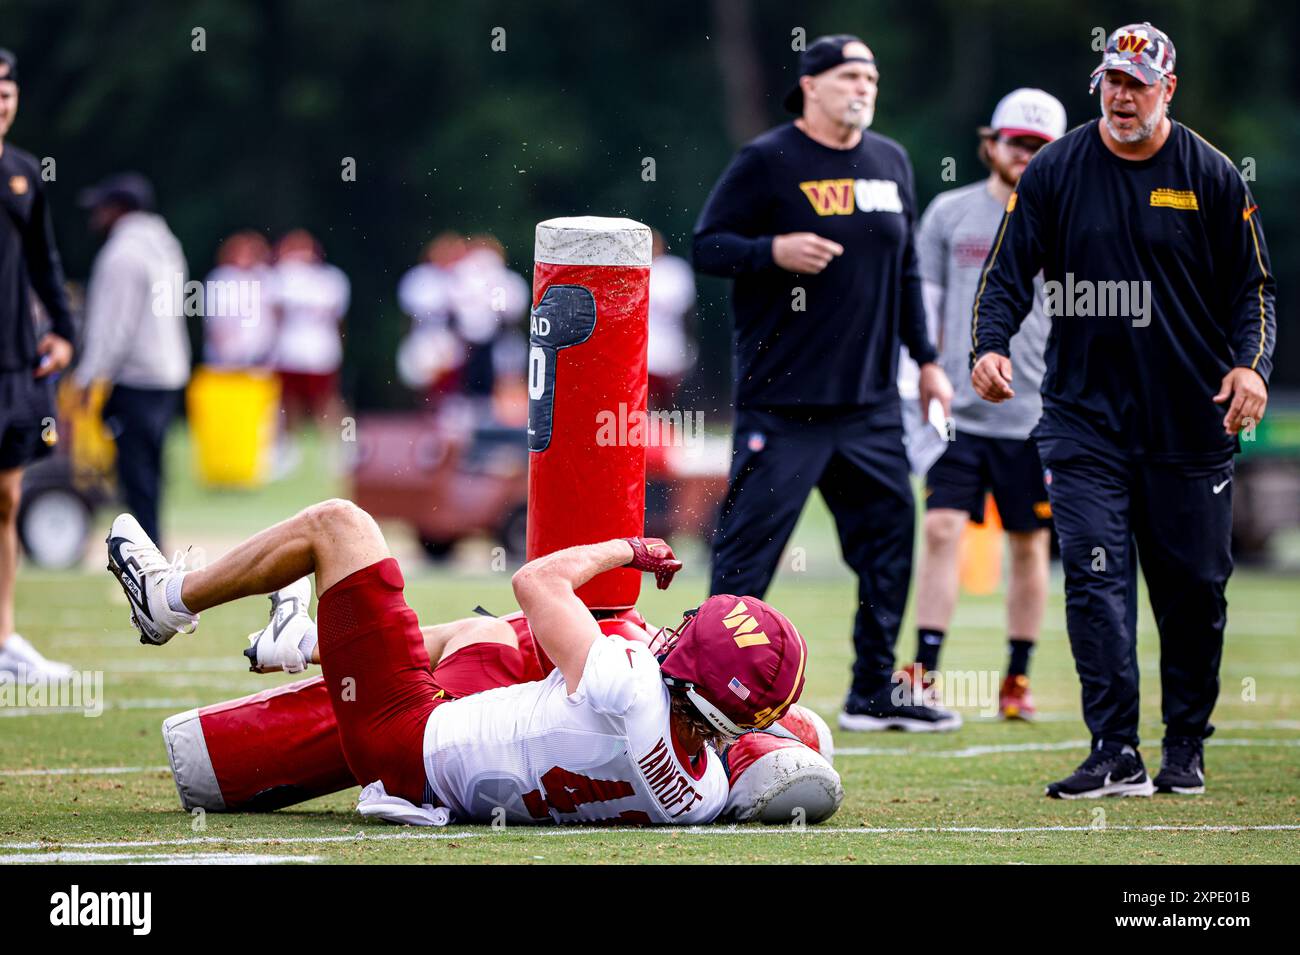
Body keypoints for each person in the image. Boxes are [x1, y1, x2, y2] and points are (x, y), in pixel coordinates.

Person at [970, 24, 1276, 797]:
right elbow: (1007, 272)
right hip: (1083, 421)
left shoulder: (1209, 174)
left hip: (1189, 422)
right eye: (1113, 79)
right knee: (1096, 578)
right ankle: (1115, 748)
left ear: (1167, 89)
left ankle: (1184, 744)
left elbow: (1255, 291)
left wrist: (1251, 366)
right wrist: (989, 345)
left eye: (1138, 83)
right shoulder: (1057, 170)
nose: (1122, 95)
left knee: (1194, 590)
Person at [105, 501, 808, 824]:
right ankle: (307, 639)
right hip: (442, 775)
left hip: (404, 734)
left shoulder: (631, 687)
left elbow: (534, 582)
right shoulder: (703, 794)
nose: (670, 638)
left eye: (685, 642)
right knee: (489, 642)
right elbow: (739, 746)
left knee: (340, 525)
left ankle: (167, 598)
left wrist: (629, 546)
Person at [694, 34, 956, 732]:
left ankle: (873, 689)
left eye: (872, 76)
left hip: (870, 406)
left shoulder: (891, 160)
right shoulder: (766, 160)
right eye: (849, 75)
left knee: (890, 546)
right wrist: (771, 251)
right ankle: (711, 696)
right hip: (782, 405)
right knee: (748, 558)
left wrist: (927, 361)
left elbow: (902, 276)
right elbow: (707, 244)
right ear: (811, 85)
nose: (864, 87)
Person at [904, 89, 1066, 721]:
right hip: (959, 411)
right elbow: (926, 308)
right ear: (991, 142)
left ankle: (1016, 681)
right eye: (1015, 142)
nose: (1024, 153)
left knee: (1029, 543)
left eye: (1038, 146)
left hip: (1037, 414)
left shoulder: (1065, 219)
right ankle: (924, 671)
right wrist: (924, 380)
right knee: (942, 528)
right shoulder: (950, 211)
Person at [0, 48, 74, 681]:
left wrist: (64, 332)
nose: (1, 99)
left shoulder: (25, 174)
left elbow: (45, 264)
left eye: (6, 88)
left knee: (8, 497)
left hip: (16, 365)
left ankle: (5, 641)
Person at [74, 172, 190, 548]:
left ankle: (145, 559)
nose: (96, 217)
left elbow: (113, 327)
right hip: (168, 374)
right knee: (152, 473)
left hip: (136, 378)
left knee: (135, 475)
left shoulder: (121, 254)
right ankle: (155, 549)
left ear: (119, 210)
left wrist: (87, 377)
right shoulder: (167, 246)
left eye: (102, 209)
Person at [268, 229, 349, 432]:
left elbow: (338, 320)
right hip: (289, 350)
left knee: (326, 399)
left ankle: (343, 441)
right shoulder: (278, 277)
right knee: (288, 401)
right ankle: (288, 446)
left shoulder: (330, 279)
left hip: (320, 350)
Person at [202, 230, 275, 369]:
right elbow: (218, 321)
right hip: (228, 358)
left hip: (259, 357)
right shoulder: (222, 277)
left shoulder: (263, 277)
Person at [647, 229, 697, 409]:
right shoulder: (637, 270)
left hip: (668, 348)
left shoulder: (673, 270)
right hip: (650, 349)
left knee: (666, 406)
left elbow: (685, 310)